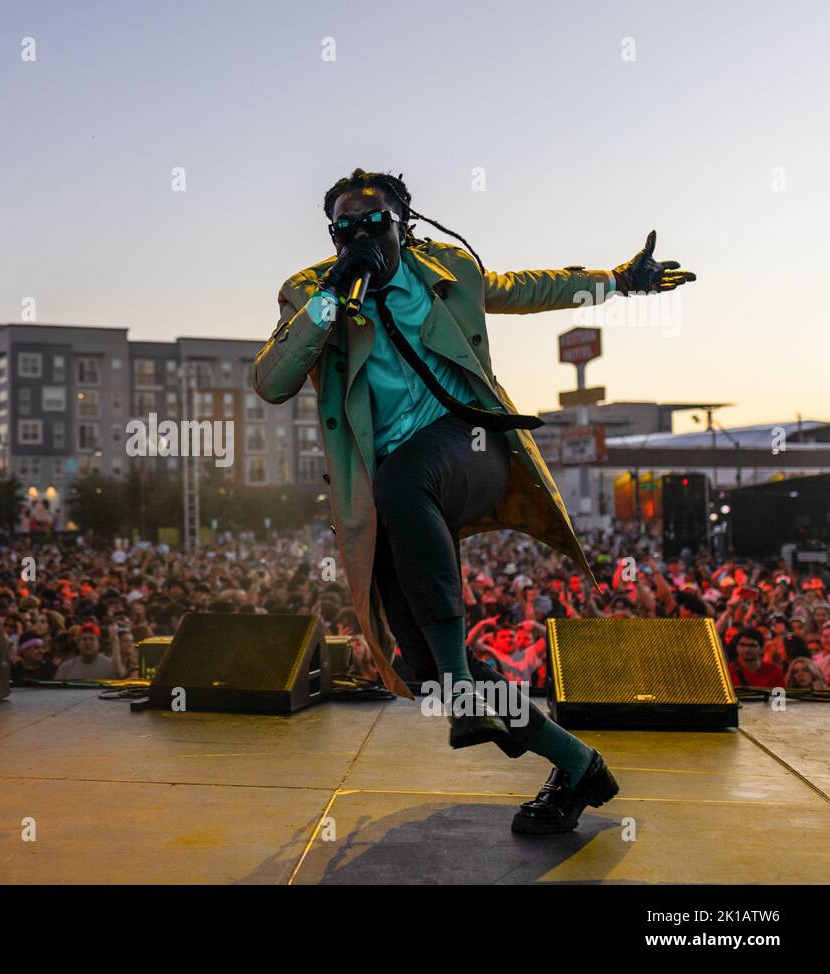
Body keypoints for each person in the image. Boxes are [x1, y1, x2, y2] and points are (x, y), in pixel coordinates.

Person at [254, 168, 694, 835]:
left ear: (407, 222)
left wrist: (619, 281)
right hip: (395, 492)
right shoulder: (312, 292)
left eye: (373, 222)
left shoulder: (450, 268)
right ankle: (576, 765)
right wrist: (330, 300)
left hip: (472, 445)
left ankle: (464, 687)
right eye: (343, 228)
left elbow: (530, 289)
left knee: (409, 486)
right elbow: (272, 380)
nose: (359, 235)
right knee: (423, 666)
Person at [53, 623, 121, 681]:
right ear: (78, 644)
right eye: (84, 639)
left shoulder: (111, 666)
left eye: (92, 639)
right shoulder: (66, 668)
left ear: (99, 643)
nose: (88, 642)